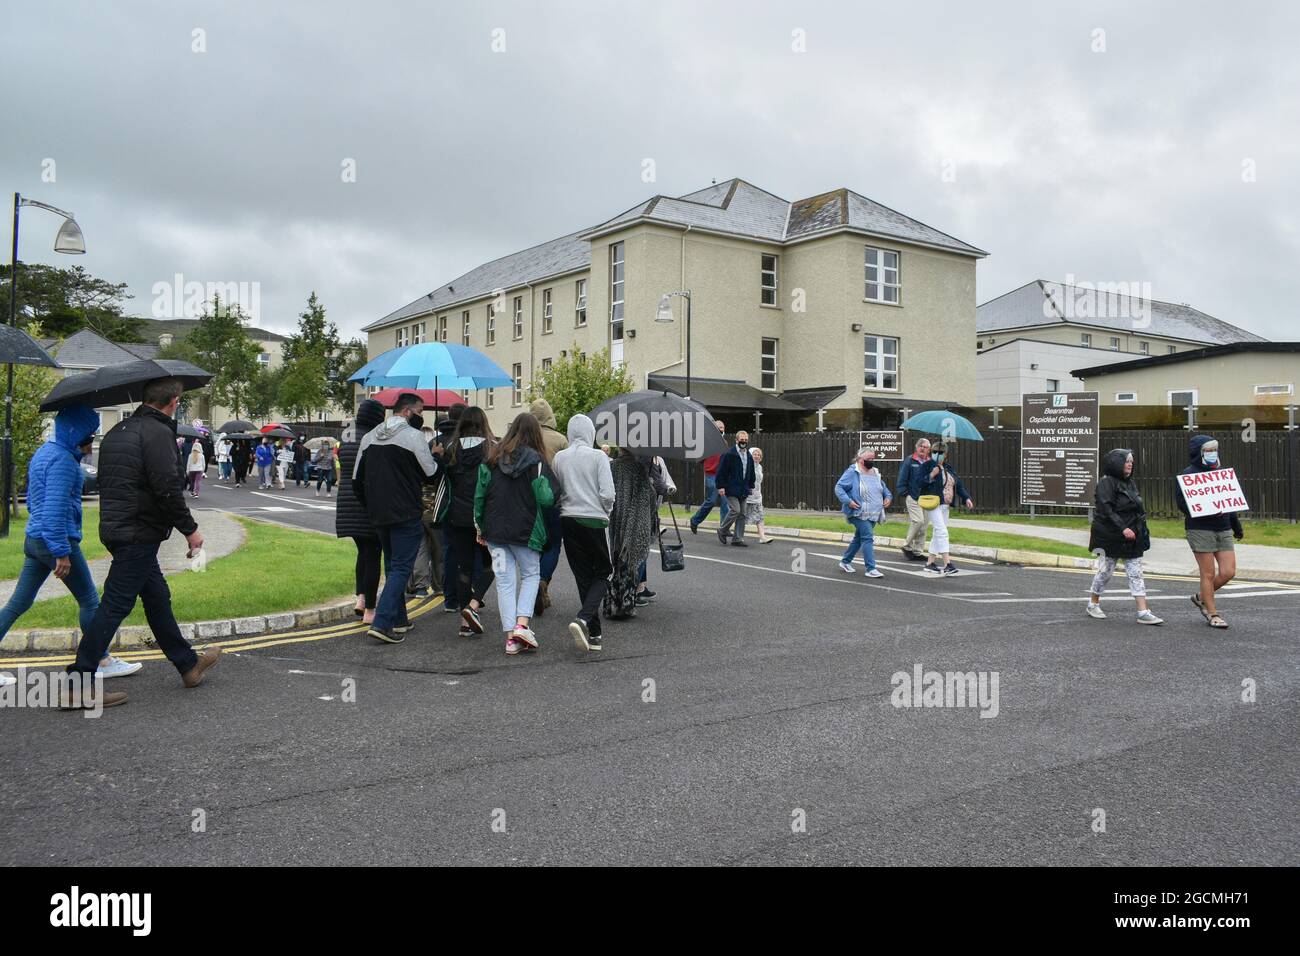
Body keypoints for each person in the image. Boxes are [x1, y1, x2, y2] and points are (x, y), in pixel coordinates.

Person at [63, 378, 221, 710]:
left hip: (117, 528)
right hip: (139, 532)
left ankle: (188, 664)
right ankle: (78, 683)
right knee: (115, 605)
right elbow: (166, 489)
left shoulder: (119, 432)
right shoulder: (158, 433)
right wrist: (190, 531)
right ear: (174, 401)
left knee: (157, 597)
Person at [0, 405, 140, 680]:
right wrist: (61, 552)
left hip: (35, 538)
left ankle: (102, 659)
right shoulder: (64, 462)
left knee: (18, 603)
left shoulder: (45, 452)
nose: (91, 442)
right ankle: (102, 660)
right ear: (75, 434)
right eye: (89, 436)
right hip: (55, 540)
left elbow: (36, 502)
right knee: (89, 600)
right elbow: (54, 510)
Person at [353, 392, 438, 644]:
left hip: (378, 514)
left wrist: (371, 506)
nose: (422, 417)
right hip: (406, 512)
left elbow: (357, 480)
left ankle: (400, 620)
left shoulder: (369, 437)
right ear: (408, 412)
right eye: (421, 411)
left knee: (392, 566)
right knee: (402, 567)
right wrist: (436, 455)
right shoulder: (414, 437)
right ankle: (383, 622)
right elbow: (431, 474)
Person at [474, 413, 558, 655]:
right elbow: (545, 498)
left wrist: (480, 526)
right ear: (535, 434)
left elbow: (479, 497)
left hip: (494, 532)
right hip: (526, 531)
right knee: (532, 574)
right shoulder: (536, 461)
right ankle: (522, 625)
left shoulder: (491, 458)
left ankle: (511, 638)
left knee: (504, 581)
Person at [552, 413, 615, 652]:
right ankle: (583, 618)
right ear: (591, 433)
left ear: (569, 433)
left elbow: (556, 490)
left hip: (567, 519)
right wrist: (605, 511)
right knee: (605, 572)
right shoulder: (599, 456)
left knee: (582, 575)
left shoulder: (559, 458)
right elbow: (608, 494)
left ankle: (594, 632)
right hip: (594, 519)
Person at [1087, 449, 1163, 625]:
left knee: (1135, 572)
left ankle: (1143, 612)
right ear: (1116, 463)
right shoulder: (1106, 483)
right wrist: (1123, 528)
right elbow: (1106, 509)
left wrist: (1139, 529)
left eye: (1131, 461)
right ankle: (1093, 603)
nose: (1130, 464)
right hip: (1109, 534)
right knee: (1105, 571)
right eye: (1126, 461)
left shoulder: (1129, 483)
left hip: (1131, 535)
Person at [1176, 435, 1243, 630]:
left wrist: (1236, 527)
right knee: (1208, 573)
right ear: (1199, 453)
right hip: (1200, 528)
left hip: (1222, 527)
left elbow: (1229, 503)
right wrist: (1204, 508)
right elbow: (1182, 504)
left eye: (1214, 450)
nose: (1212, 454)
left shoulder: (1221, 473)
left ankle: (1200, 597)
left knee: (1228, 571)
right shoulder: (1187, 475)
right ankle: (1213, 614)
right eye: (1208, 451)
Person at [440, 407, 496, 638]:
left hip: (458, 516)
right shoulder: (492, 448)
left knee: (464, 567)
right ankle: (474, 603)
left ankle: (465, 619)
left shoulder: (451, 449)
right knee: (492, 565)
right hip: (485, 515)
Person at [336, 400, 385, 625]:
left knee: (362, 553)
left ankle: (361, 598)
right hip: (367, 504)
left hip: (346, 503)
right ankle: (370, 611)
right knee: (373, 555)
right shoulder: (372, 438)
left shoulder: (347, 438)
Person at [604, 449, 660, 620]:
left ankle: (612, 602)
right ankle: (626, 604)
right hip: (634, 520)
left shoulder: (611, 467)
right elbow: (649, 495)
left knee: (616, 558)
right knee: (630, 561)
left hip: (616, 517)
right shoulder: (638, 468)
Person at [529, 398, 569, 617]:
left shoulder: (523, 438)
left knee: (532, 547)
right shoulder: (560, 440)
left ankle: (532, 585)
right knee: (553, 545)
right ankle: (543, 581)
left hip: (526, 502)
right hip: (553, 499)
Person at [835, 446, 893, 577]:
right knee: (867, 537)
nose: (872, 461)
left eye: (873, 458)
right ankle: (871, 569)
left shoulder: (875, 472)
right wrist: (848, 501)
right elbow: (839, 488)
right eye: (869, 459)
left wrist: (888, 497)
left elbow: (883, 488)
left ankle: (845, 561)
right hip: (858, 512)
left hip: (874, 512)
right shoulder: (852, 472)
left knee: (859, 538)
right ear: (861, 459)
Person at [919, 441, 973, 575]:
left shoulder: (949, 468)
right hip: (933, 503)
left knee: (938, 533)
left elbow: (958, 485)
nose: (937, 454)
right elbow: (918, 483)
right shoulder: (926, 466)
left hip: (945, 505)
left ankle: (930, 563)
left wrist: (966, 498)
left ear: (946, 454)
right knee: (942, 531)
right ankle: (947, 564)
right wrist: (931, 475)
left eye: (941, 452)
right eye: (935, 452)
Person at [435, 404, 468, 614]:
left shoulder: (435, 442)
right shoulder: (462, 444)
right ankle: (469, 596)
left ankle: (450, 598)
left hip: (441, 504)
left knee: (448, 550)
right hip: (462, 503)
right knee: (468, 552)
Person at [715, 429, 756, 546]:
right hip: (731, 488)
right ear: (736, 440)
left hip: (743, 489)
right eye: (741, 440)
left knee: (742, 513)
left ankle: (737, 538)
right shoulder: (729, 454)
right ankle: (722, 529)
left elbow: (750, 472)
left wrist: (751, 485)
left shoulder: (748, 455)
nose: (743, 442)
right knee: (736, 510)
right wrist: (721, 486)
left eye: (745, 440)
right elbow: (721, 471)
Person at [688, 419, 729, 533]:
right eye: (718, 428)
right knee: (711, 501)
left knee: (726, 502)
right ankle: (695, 521)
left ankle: (723, 528)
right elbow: (699, 458)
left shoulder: (724, 443)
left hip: (722, 476)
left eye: (722, 428)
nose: (721, 430)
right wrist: (708, 466)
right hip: (711, 475)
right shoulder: (706, 442)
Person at [896, 437, 932, 560]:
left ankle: (917, 552)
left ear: (929, 450)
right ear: (916, 447)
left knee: (924, 526)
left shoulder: (931, 462)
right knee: (918, 521)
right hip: (913, 497)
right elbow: (902, 478)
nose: (922, 448)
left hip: (927, 498)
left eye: (925, 446)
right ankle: (906, 545)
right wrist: (905, 493)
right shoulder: (909, 461)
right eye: (920, 446)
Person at [746, 446, 774, 544]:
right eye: (755, 454)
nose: (757, 456)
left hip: (757, 497)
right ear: (750, 455)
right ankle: (727, 531)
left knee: (760, 517)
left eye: (758, 454)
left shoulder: (760, 466)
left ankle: (762, 537)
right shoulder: (747, 466)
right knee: (739, 517)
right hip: (747, 497)